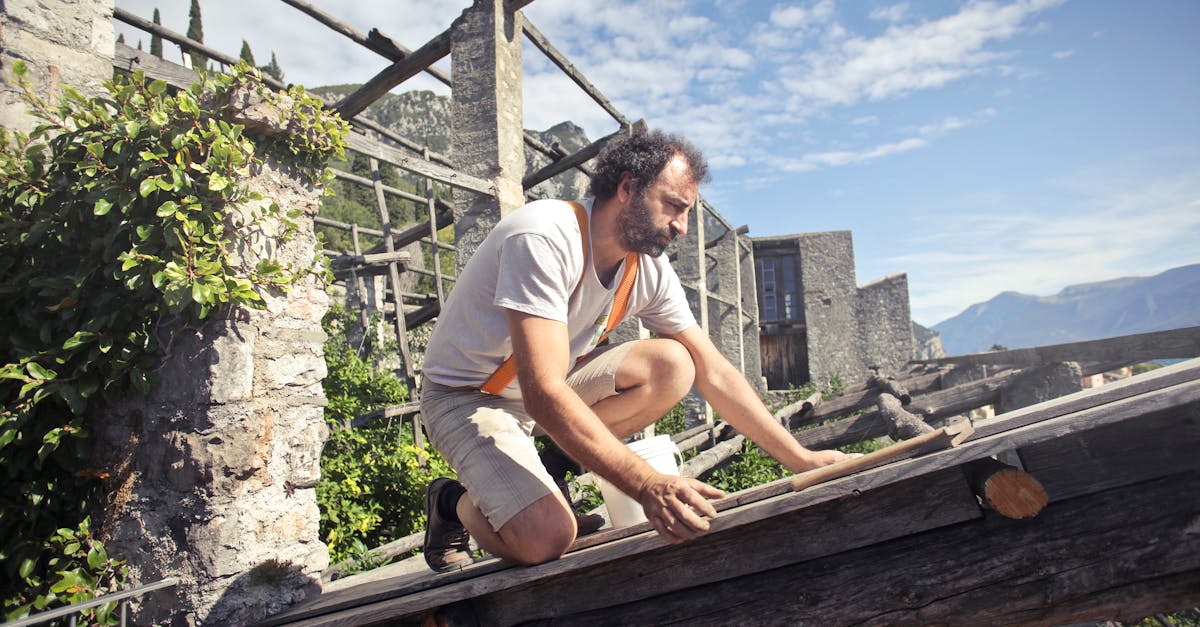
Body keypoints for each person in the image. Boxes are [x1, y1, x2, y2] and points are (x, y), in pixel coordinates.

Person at [418, 129, 855, 571]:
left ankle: (548, 468)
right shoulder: (543, 236)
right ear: (627, 188)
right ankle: (451, 503)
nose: (682, 226)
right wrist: (648, 485)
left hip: (544, 390)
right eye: (674, 206)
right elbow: (543, 393)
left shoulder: (647, 269)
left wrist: (802, 459)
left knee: (674, 365)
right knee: (546, 538)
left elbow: (714, 372)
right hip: (469, 397)